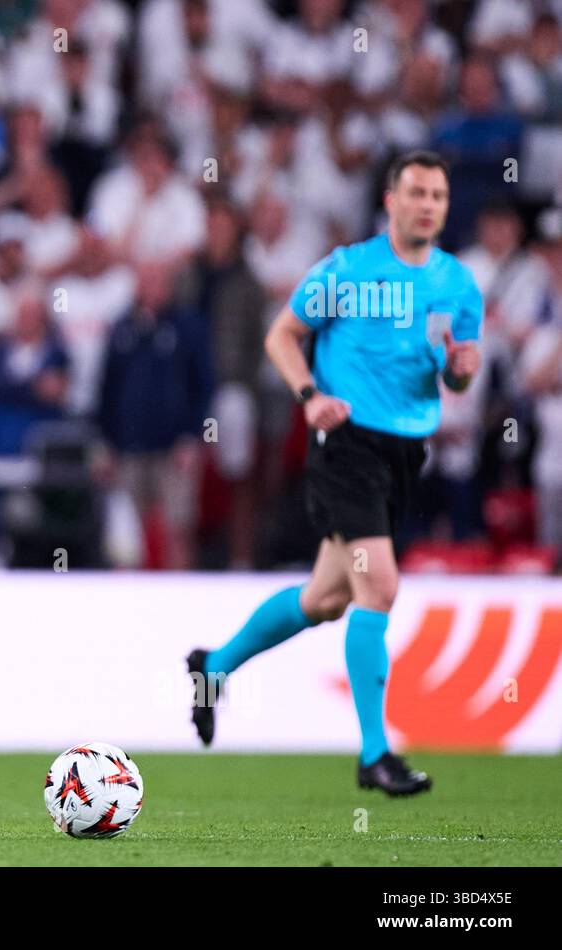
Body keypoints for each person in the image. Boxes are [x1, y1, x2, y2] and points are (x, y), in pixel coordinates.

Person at [187, 150, 482, 796]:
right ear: (391, 200)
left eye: (439, 194)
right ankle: (375, 753)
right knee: (379, 585)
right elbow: (282, 336)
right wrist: (307, 396)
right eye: (417, 192)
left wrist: (461, 366)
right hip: (346, 445)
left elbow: (459, 371)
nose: (429, 204)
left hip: (406, 453)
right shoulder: (347, 270)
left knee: (326, 598)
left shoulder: (457, 284)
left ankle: (214, 665)